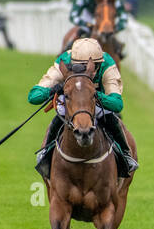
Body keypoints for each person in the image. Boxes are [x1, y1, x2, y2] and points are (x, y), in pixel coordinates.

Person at [27, 36, 137, 180]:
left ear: (99, 64)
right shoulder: (64, 61)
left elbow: (117, 104)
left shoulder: (107, 63)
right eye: (81, 66)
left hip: (97, 101)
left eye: (93, 67)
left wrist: (92, 94)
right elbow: (33, 97)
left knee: (111, 117)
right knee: (60, 114)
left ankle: (125, 154)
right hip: (71, 100)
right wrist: (53, 89)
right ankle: (46, 152)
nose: (88, 70)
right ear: (73, 63)